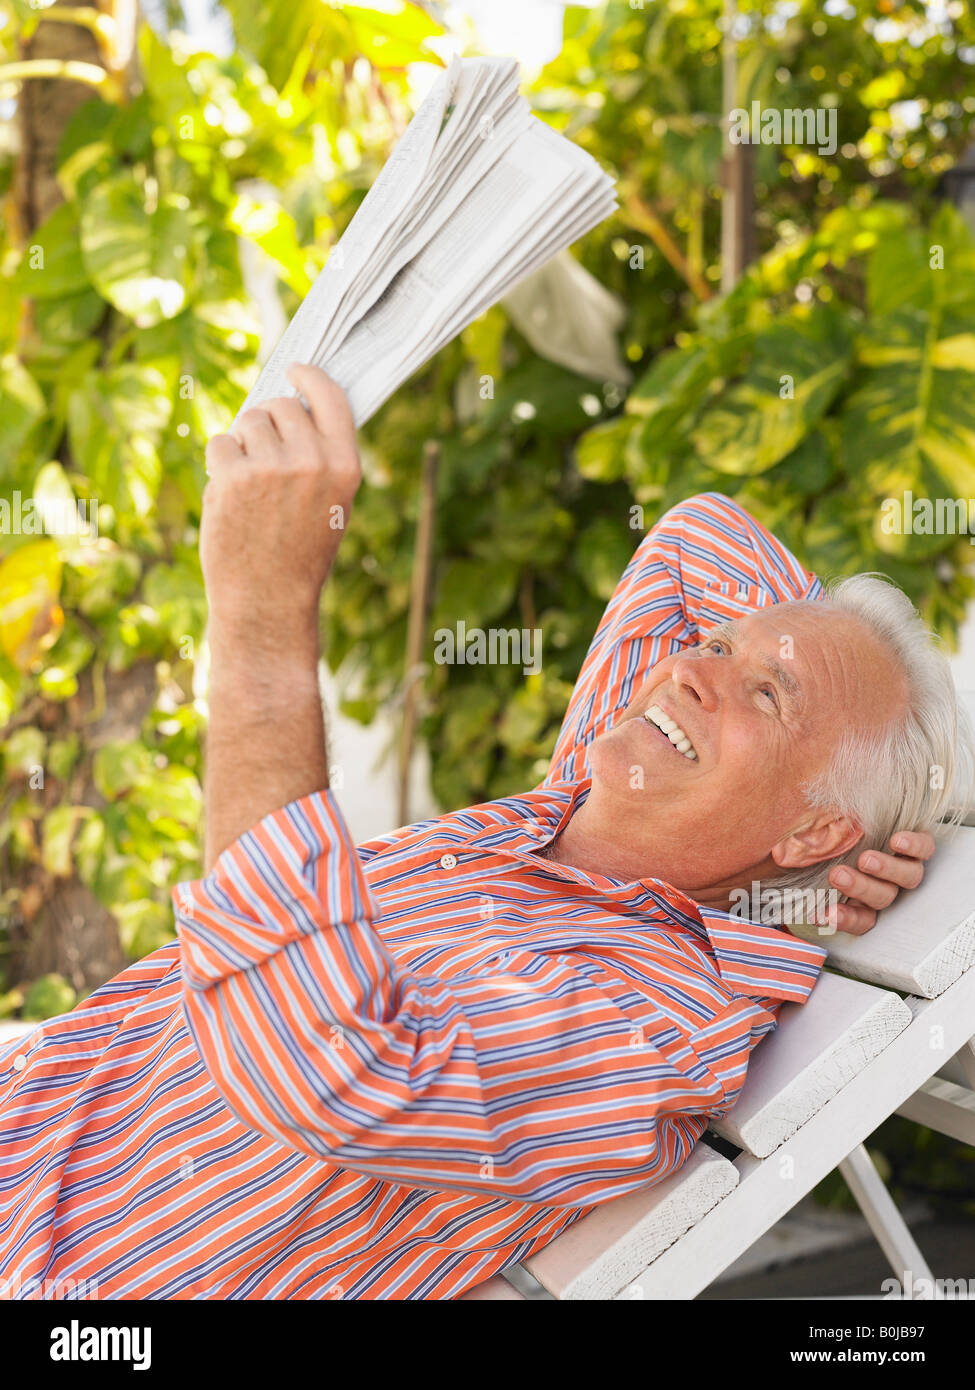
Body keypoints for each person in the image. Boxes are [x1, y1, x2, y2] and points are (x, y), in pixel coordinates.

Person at [1, 366, 963, 1302]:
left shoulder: (660, 1016)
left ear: (810, 827)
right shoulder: (570, 813)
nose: (688, 671)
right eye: (715, 643)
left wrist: (259, 616)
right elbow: (694, 538)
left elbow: (329, 1072)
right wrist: (808, 829)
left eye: (764, 693)